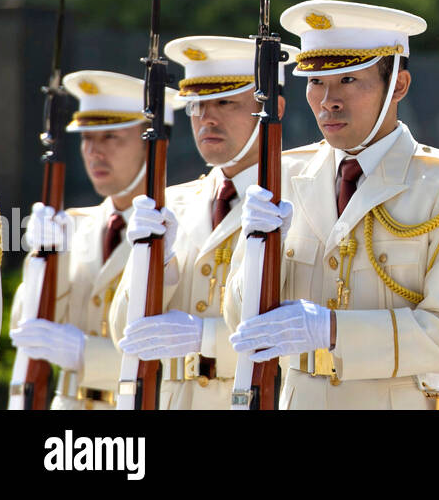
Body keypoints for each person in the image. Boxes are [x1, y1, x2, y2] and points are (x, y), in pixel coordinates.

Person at [224, 0, 439, 409]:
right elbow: (241, 323)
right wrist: (256, 252)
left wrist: (332, 330)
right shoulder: (283, 175)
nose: (327, 100)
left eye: (349, 80)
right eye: (316, 81)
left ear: (398, 86)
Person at [108, 35, 302, 409]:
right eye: (196, 104)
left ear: (271, 107)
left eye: (225, 101)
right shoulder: (173, 202)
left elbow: (300, 335)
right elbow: (124, 333)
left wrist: (206, 339)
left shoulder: (302, 197)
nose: (206, 118)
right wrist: (152, 264)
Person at [9, 70, 180, 409]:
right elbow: (23, 328)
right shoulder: (73, 226)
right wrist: (40, 260)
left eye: (111, 137)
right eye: (87, 138)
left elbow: (177, 352)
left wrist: (88, 354)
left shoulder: (176, 228)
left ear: (153, 142)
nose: (94, 152)